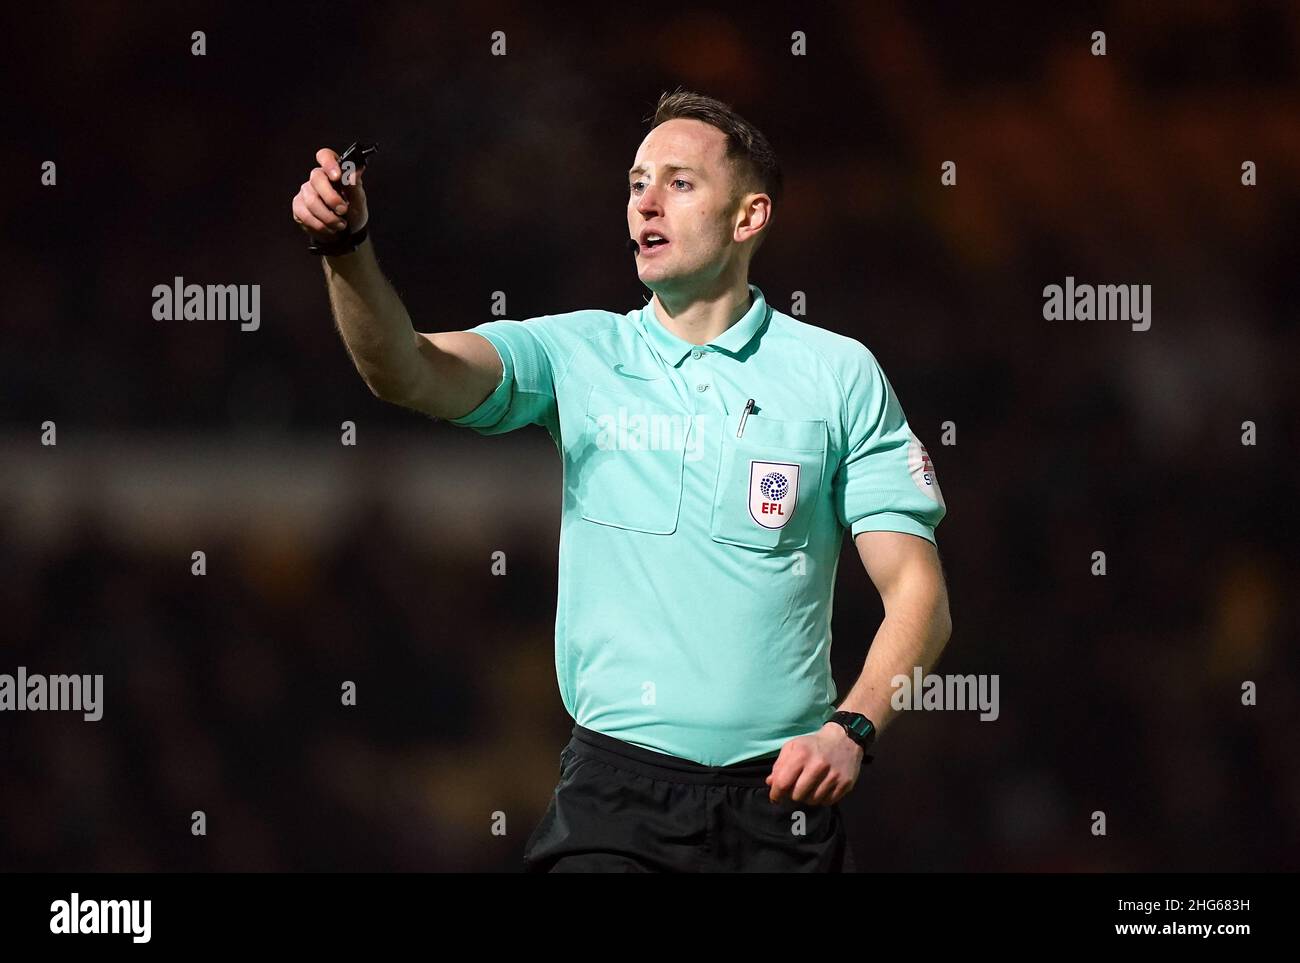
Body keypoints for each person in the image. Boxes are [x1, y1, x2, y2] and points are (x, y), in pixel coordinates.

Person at [291, 88, 952, 872]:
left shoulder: (839, 375)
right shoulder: (578, 354)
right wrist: (348, 249)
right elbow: (405, 369)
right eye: (637, 182)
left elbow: (919, 596)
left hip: (784, 805)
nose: (646, 202)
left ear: (749, 217)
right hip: (618, 803)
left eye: (679, 182)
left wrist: (855, 727)